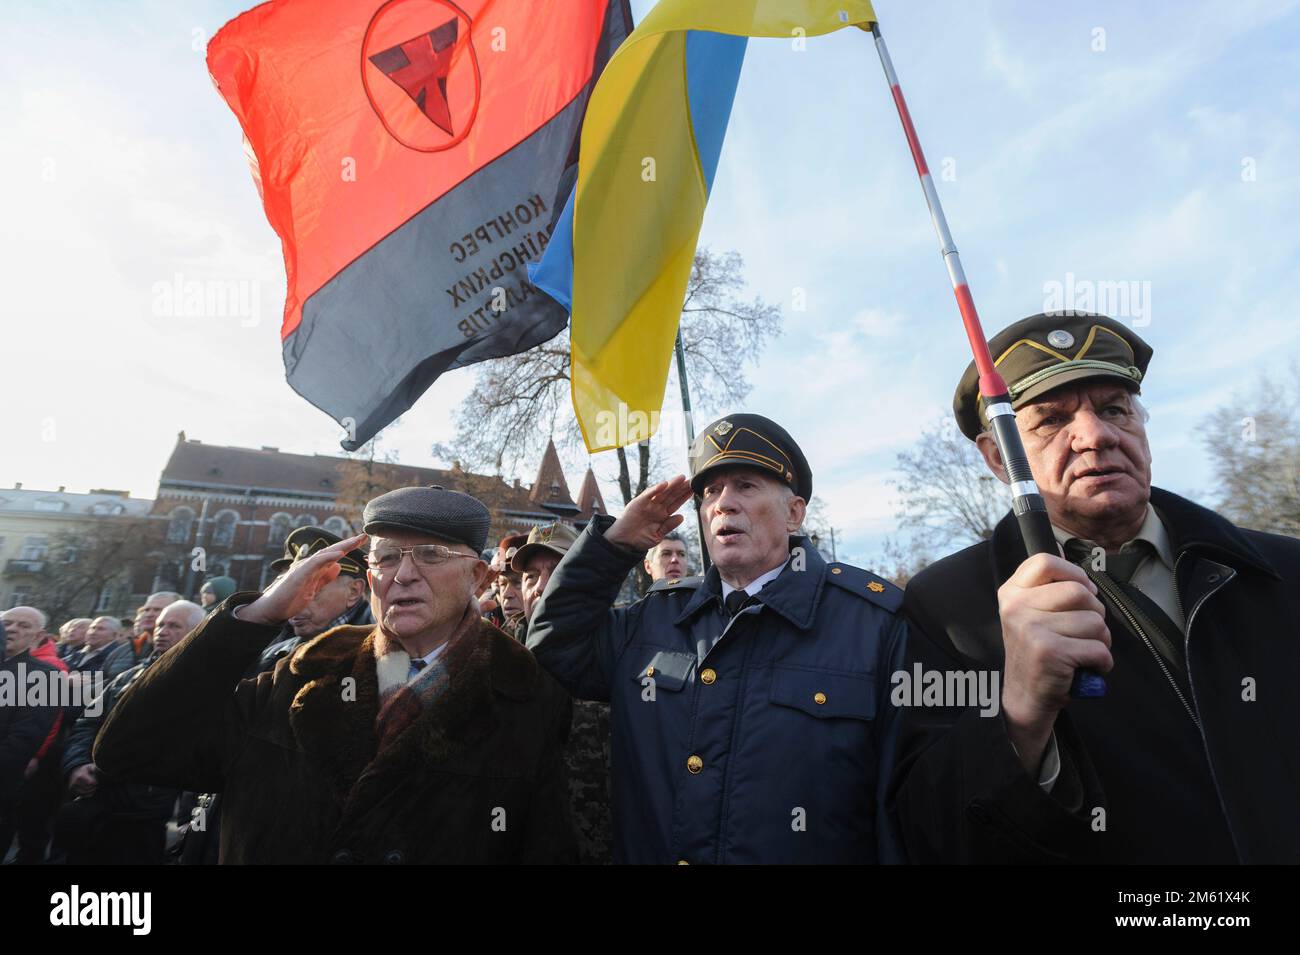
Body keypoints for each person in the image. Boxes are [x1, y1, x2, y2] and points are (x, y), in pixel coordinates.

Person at [890, 312, 1300, 864]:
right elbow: (933, 834)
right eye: (1052, 420)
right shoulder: (948, 608)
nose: (1096, 435)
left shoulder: (1279, 571)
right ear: (997, 458)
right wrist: (1020, 712)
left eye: (1113, 408)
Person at [94, 486, 576, 864]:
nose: (402, 574)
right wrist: (254, 617)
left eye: (430, 554)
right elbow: (131, 751)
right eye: (386, 557)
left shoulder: (527, 696)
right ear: (369, 581)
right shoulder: (294, 681)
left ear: (477, 578)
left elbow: (544, 848)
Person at [529, 414, 908, 864]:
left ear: (794, 513)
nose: (722, 504)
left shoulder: (872, 624)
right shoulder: (654, 618)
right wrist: (613, 545)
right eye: (710, 492)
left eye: (745, 486)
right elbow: (555, 646)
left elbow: (904, 808)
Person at [57, 601, 203, 864]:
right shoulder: (126, 677)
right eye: (160, 625)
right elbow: (87, 722)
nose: (162, 631)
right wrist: (77, 764)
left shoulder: (201, 684)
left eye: (173, 626)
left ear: (196, 631)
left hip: (141, 816)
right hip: (94, 805)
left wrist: (191, 821)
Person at [511, 522, 612, 864]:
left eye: (557, 571)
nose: (540, 587)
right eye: (530, 576)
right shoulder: (492, 656)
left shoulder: (623, 650)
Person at [250, 527, 373, 675]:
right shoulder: (272, 656)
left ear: (354, 591)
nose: (294, 607)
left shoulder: (382, 652)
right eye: (292, 594)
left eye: (312, 592)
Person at [0, 611, 62, 861]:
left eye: (23, 625)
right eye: (6, 623)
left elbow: (22, 742)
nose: (12, 629)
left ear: (38, 636)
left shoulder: (45, 677)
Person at [104, 591, 179, 682]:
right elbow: (99, 686)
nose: (149, 614)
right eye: (146, 610)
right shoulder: (121, 651)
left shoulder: (180, 652)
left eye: (157, 610)